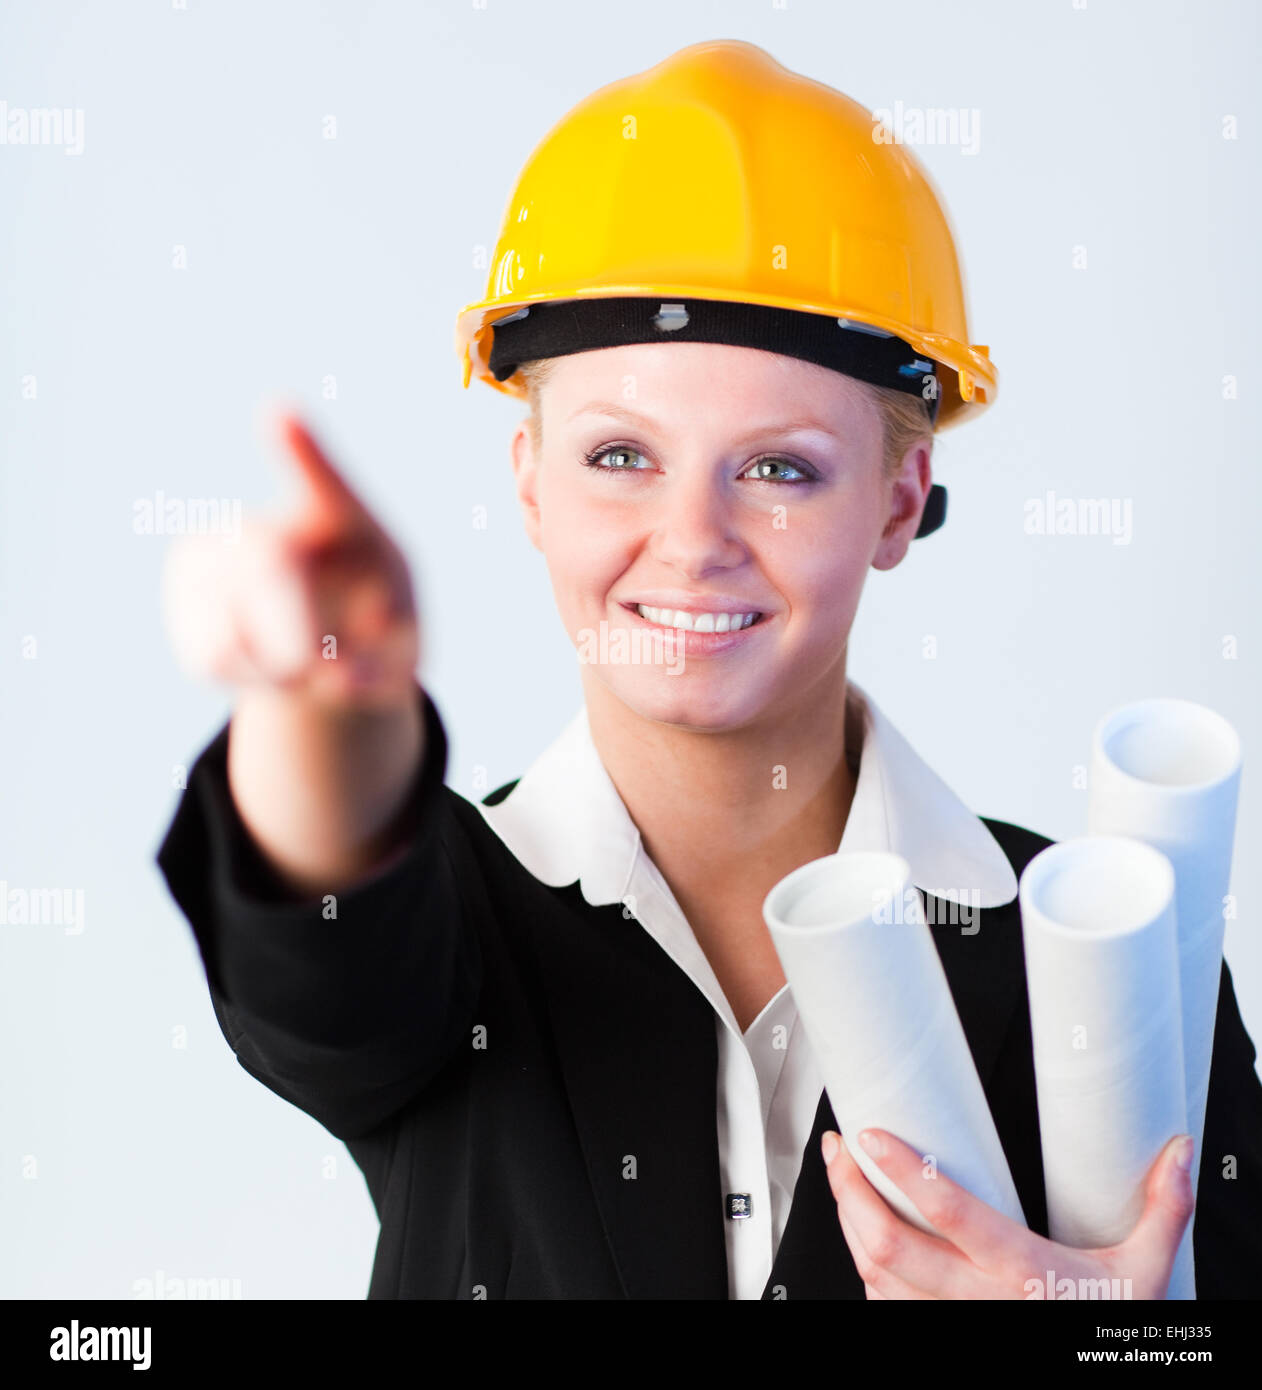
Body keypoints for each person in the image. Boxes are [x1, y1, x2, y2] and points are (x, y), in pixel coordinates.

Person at [155, 39, 1262, 1300]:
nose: (690, 542)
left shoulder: (1093, 959)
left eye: (779, 467)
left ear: (899, 502)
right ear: (529, 483)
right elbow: (315, 944)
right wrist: (324, 703)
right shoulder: (451, 925)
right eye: (619, 455)